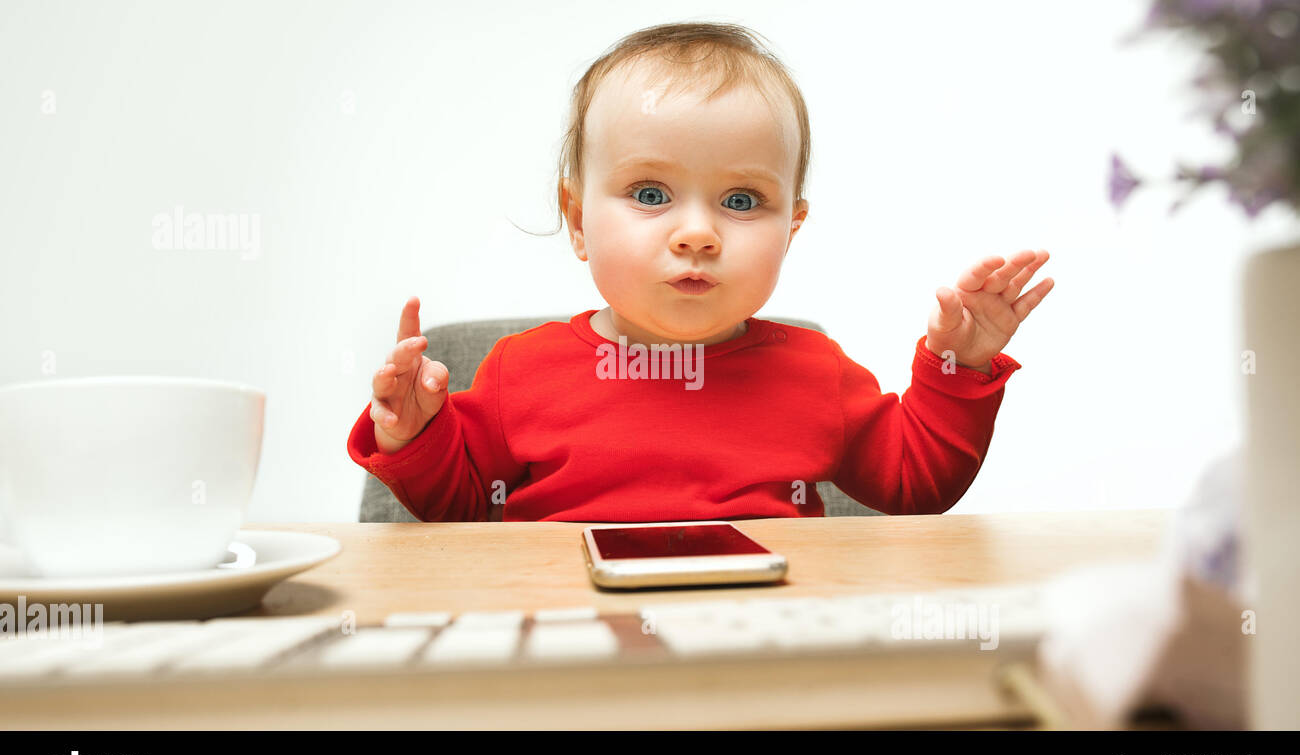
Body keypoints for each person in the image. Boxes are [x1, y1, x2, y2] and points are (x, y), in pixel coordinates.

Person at [346, 21, 1054, 523]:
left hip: (760, 648)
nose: (696, 233)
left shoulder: (815, 374)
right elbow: (461, 506)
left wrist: (957, 367)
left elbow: (916, 481)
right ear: (579, 220)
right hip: (568, 650)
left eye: (741, 201)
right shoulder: (516, 374)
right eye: (651, 194)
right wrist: (412, 434)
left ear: (792, 227)